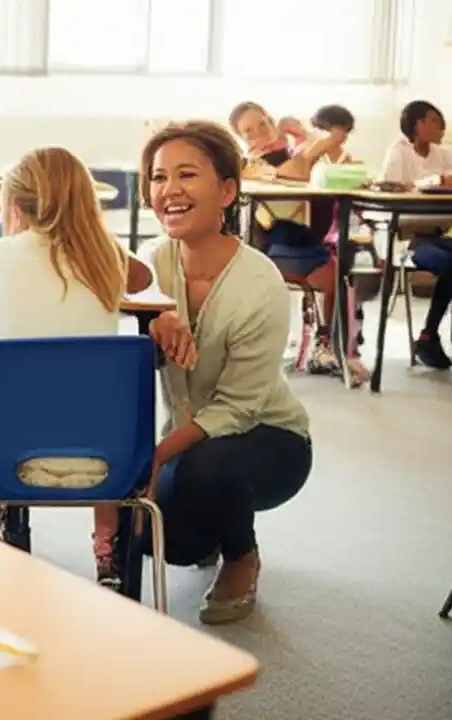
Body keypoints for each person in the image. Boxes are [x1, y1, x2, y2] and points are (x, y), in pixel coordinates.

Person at [0, 146, 153, 586]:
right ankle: (107, 550)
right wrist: (99, 239)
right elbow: (143, 279)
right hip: (107, 461)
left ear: (18, 207)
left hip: (7, 460)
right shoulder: (106, 260)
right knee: (98, 404)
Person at [139, 120, 312, 624]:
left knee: (205, 470)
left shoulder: (260, 282)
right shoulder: (152, 261)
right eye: (157, 177)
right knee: (165, 543)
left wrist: (154, 459)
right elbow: (110, 292)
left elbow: (238, 409)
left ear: (228, 191)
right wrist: (156, 313)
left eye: (187, 175)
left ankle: (242, 555)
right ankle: (210, 528)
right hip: (194, 440)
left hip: (271, 440)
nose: (169, 190)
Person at [378, 100, 452, 370]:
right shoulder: (398, 152)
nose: (441, 128)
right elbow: (391, 189)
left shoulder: (441, 154)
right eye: (434, 121)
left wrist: (447, 181)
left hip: (437, 235)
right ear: (417, 124)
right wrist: (433, 182)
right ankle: (446, 341)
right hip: (409, 238)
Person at [229, 101, 346, 376]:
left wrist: (301, 135)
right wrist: (307, 144)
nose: (259, 132)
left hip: (308, 245)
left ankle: (325, 342)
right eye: (249, 130)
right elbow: (299, 170)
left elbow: (332, 148)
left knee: (334, 276)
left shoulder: (291, 151)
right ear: (241, 138)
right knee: (319, 266)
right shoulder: (249, 163)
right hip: (272, 250)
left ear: (272, 121)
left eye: (263, 124)